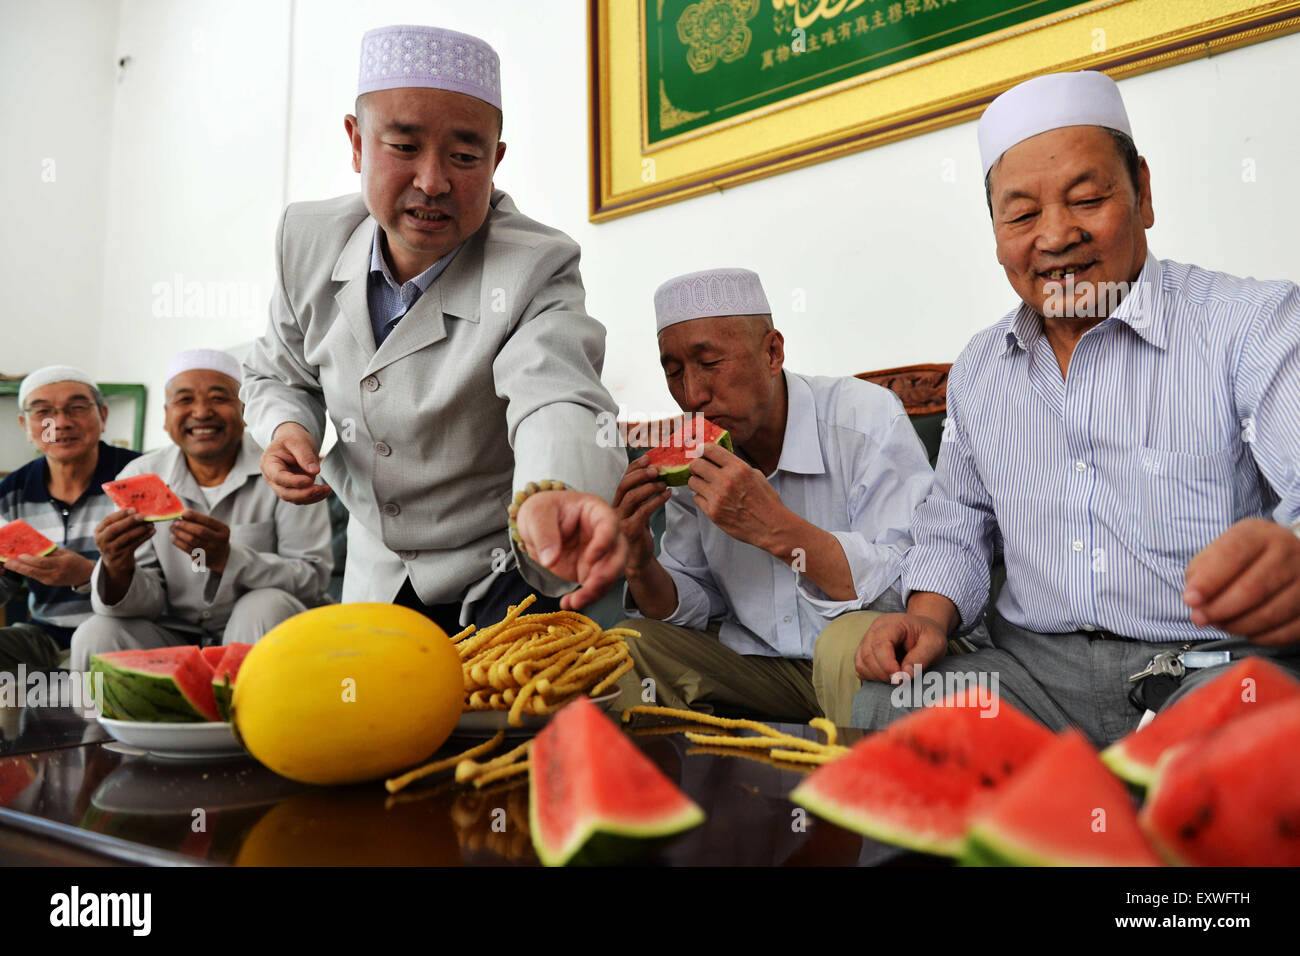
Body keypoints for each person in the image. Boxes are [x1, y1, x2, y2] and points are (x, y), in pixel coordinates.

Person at [851, 72, 1300, 742]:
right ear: (997, 231)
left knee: (1254, 738)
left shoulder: (1252, 324)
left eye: (1087, 199)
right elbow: (957, 524)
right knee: (890, 709)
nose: (1056, 236)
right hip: (1035, 677)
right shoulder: (983, 367)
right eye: (1023, 215)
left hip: (1209, 667)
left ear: (1143, 192)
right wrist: (929, 619)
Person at [240, 25, 625, 637]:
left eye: (465, 157)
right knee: (373, 725)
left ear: (496, 162)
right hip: (379, 570)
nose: (432, 181)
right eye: (403, 146)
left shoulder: (534, 264)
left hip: (505, 569)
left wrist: (556, 490)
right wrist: (287, 427)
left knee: (503, 721)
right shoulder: (305, 243)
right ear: (357, 144)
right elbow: (277, 371)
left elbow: (557, 393)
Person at [613, 268, 933, 724]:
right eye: (674, 371)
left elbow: (911, 588)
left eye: (709, 363)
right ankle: (673, 793)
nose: (692, 394)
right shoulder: (696, 459)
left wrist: (777, 529)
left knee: (847, 643)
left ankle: (860, 792)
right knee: (629, 647)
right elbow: (698, 605)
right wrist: (639, 562)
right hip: (759, 670)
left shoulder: (864, 420)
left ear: (772, 352)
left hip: (862, 662)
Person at [69, 350, 332, 671]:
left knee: (263, 605)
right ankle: (109, 724)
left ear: (244, 410)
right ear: (166, 417)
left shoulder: (285, 467)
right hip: (171, 634)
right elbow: (146, 602)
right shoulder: (139, 477)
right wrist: (117, 568)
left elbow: (312, 580)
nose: (202, 411)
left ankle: (256, 717)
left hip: (260, 633)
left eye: (219, 398)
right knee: (96, 632)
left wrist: (229, 559)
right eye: (184, 400)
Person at [0, 367, 139, 673]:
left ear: (102, 416)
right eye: (43, 412)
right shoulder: (11, 493)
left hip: (125, 631)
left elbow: (167, 584)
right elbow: (5, 585)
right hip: (43, 636)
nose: (60, 422)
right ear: (25, 425)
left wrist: (88, 575)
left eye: (77, 408)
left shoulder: (138, 476)